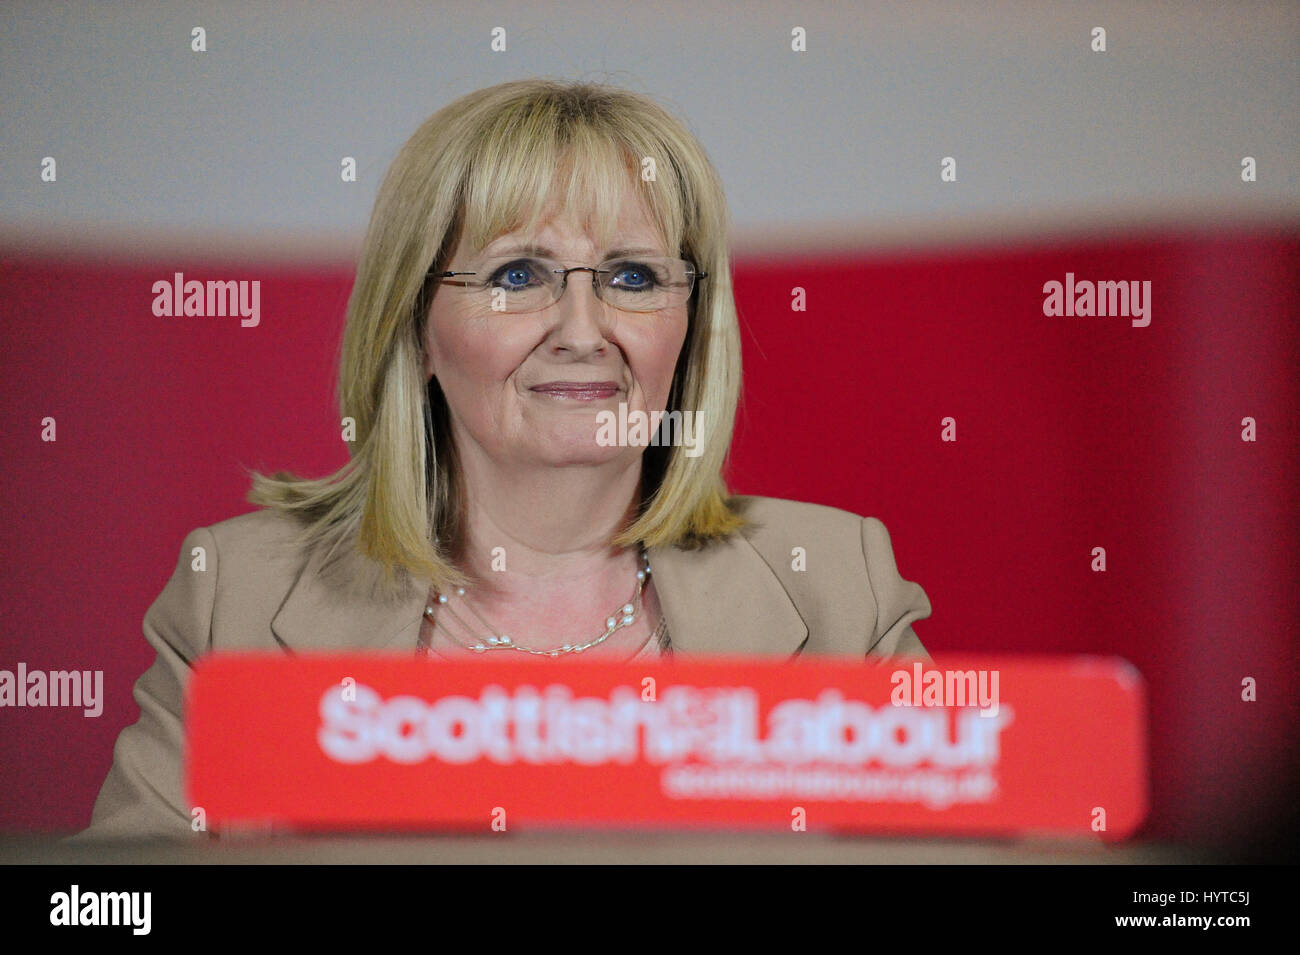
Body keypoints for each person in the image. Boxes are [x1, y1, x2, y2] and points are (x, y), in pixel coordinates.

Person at [71, 78, 931, 840]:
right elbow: (104, 912)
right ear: (415, 324)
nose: (584, 331)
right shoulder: (239, 596)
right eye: (519, 275)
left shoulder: (838, 591)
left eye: (632, 277)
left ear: (691, 324)